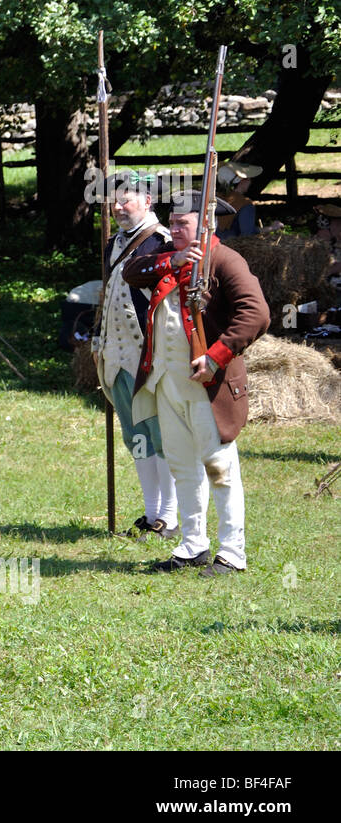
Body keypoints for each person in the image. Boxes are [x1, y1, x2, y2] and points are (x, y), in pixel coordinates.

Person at [123, 190, 270, 576]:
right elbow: (130, 272)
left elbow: (256, 314)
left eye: (181, 224)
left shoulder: (224, 260)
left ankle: (233, 553)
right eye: (171, 223)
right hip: (170, 384)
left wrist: (216, 355)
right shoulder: (171, 260)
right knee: (183, 467)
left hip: (210, 385)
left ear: (204, 224)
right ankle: (192, 545)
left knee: (219, 469)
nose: (173, 229)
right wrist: (173, 257)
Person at [92, 172, 181, 538]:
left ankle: (170, 515)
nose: (116, 208)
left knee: (160, 432)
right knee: (135, 434)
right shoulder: (113, 243)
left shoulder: (162, 242)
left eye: (124, 200)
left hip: (150, 355)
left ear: (147, 201)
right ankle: (150, 511)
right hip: (117, 355)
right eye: (113, 202)